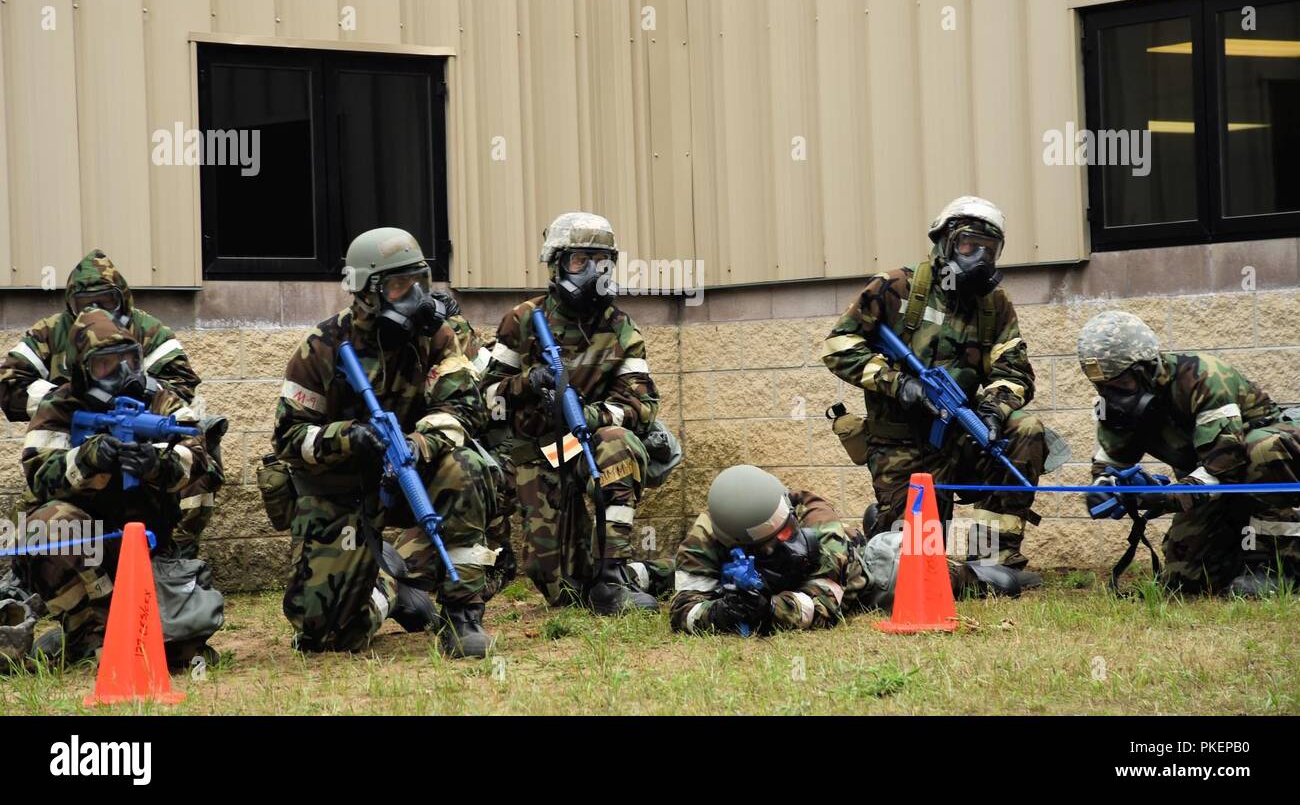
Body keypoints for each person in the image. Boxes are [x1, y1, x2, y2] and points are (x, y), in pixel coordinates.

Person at [272, 228, 498, 657]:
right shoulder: (321, 347)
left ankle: (462, 615)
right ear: (368, 292)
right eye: (399, 285)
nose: (414, 296)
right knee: (325, 636)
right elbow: (288, 437)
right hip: (345, 491)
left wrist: (418, 444)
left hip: (414, 475)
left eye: (419, 282)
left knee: (466, 465)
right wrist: (348, 437)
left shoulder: (438, 337)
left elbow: (463, 409)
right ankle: (389, 591)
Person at [822, 196, 1044, 575]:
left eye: (990, 250)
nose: (980, 258)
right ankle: (881, 525)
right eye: (970, 245)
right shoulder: (896, 288)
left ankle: (994, 560)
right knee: (917, 564)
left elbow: (1015, 370)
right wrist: (901, 384)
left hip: (963, 433)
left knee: (1025, 430)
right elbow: (838, 346)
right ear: (945, 242)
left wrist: (991, 412)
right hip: (901, 443)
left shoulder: (994, 305)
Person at [13, 309, 218, 665]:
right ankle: (89, 633)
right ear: (82, 370)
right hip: (88, 548)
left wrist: (157, 464)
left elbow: (197, 454)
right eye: (107, 365)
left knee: (181, 651)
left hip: (149, 544)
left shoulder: (162, 400)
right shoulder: (60, 406)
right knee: (44, 525)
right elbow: (39, 474)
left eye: (130, 360)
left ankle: (139, 623)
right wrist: (87, 459)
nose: (123, 372)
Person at [480, 212, 660, 614]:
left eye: (602, 262)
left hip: (590, 447)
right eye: (580, 260)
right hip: (538, 453)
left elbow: (642, 406)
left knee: (617, 445)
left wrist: (591, 416)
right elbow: (485, 395)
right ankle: (641, 574)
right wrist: (529, 383)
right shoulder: (524, 319)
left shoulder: (620, 327)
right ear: (557, 263)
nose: (592, 272)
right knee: (562, 588)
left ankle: (615, 577)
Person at [0, 250, 218, 557]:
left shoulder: (147, 330)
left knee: (201, 475)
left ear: (123, 301)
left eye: (105, 302)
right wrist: (73, 403)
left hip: (145, 447)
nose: (96, 310)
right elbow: (10, 384)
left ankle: (173, 560)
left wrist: (145, 402)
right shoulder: (52, 333)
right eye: (85, 304)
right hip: (74, 454)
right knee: (39, 523)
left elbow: (182, 387)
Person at [1078, 310, 1300, 596]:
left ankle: (1277, 567)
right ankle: (1234, 559)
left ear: (1145, 368)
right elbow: (1110, 461)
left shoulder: (1202, 377)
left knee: (1262, 449)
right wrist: (1104, 488)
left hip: (1262, 463)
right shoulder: (1116, 404)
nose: (1112, 395)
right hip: (1207, 481)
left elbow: (1226, 465)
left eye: (1120, 385)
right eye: (1102, 386)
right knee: (1185, 580)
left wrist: (1165, 496)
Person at [669, 465, 1021, 634]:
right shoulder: (704, 538)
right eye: (770, 540)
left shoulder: (818, 522)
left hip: (857, 580)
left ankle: (973, 573)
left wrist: (769, 608)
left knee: (908, 565)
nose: (787, 540)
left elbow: (822, 605)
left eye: (788, 528)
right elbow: (683, 609)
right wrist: (721, 614)